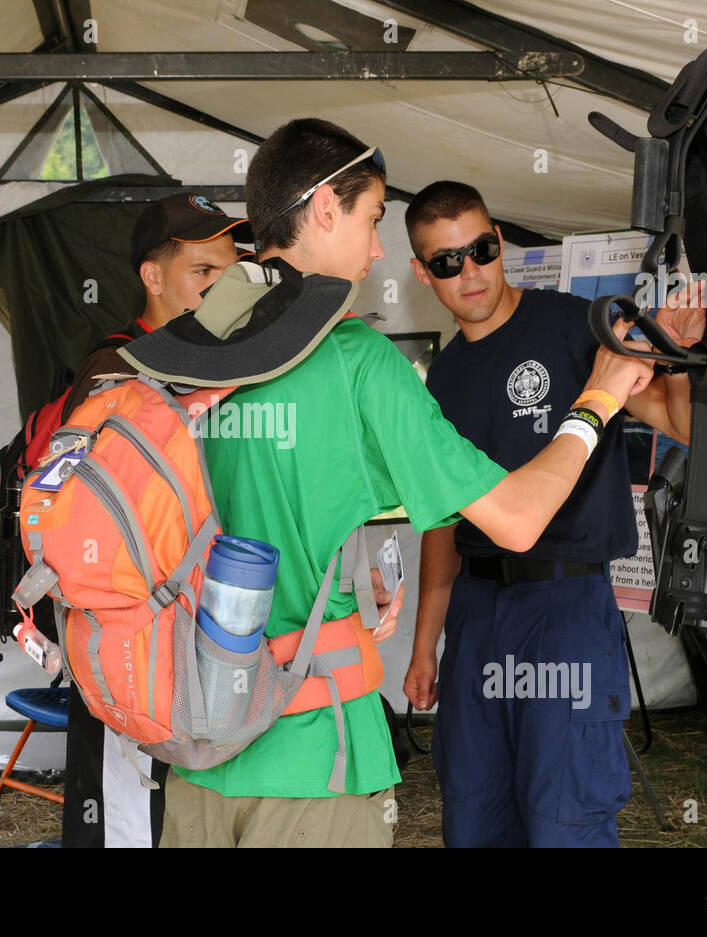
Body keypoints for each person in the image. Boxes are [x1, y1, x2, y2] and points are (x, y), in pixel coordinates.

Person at [117, 118, 655, 848]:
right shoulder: (356, 361)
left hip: (199, 755)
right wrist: (596, 401)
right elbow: (520, 519)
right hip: (313, 758)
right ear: (325, 208)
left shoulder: (181, 352)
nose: (377, 250)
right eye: (372, 219)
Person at [402, 180, 704, 847]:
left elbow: (678, 421)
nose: (470, 270)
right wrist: (426, 643)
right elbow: (440, 523)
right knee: (473, 815)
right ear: (422, 273)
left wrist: (675, 359)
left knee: (563, 816)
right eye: (447, 261)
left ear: (498, 242)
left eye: (480, 249)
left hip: (564, 604)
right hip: (476, 612)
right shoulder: (443, 377)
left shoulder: (573, 326)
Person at [60, 192, 251, 848]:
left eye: (230, 272)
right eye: (202, 271)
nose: (222, 287)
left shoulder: (237, 361)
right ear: (152, 276)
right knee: (131, 823)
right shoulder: (116, 371)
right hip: (133, 647)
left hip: (202, 640)